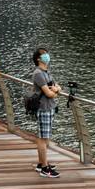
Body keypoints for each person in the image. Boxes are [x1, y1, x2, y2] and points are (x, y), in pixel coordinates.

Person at [31, 48, 61, 178]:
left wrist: (56, 89)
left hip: (49, 107)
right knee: (43, 139)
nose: (47, 56)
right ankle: (44, 168)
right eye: (44, 55)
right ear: (38, 59)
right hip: (44, 108)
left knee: (45, 138)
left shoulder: (46, 72)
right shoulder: (38, 73)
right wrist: (56, 91)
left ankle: (41, 163)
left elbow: (56, 86)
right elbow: (49, 93)